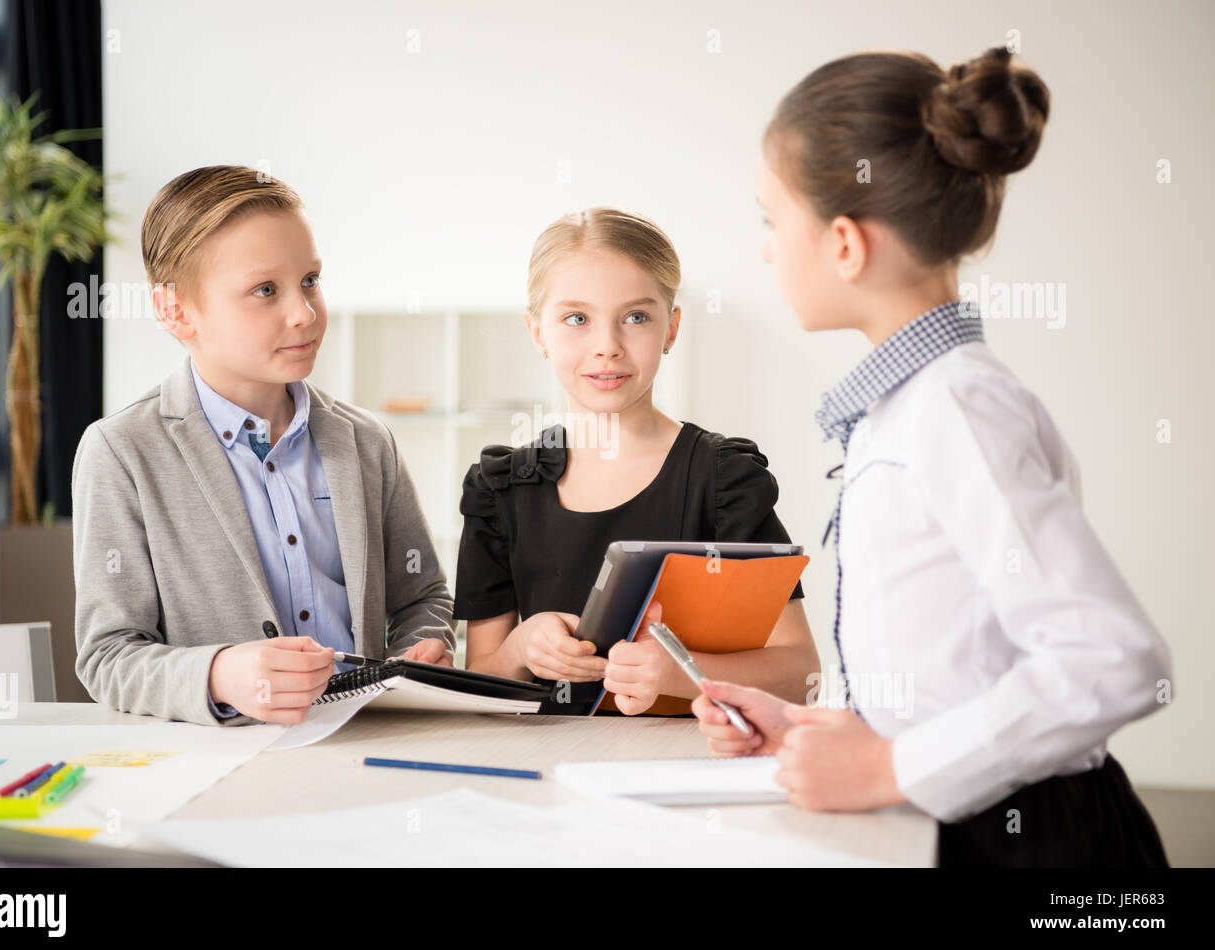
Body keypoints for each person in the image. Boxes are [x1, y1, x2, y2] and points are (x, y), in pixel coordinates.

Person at [693, 47, 1171, 866]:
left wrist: (888, 763)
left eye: (773, 221)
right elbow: (952, 658)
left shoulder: (957, 408)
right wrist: (822, 732)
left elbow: (1113, 658)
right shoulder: (906, 408)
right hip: (956, 819)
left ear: (844, 244)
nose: (768, 250)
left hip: (1033, 842)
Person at [72, 165, 453, 726]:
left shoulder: (368, 442)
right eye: (265, 290)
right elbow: (109, 656)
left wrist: (424, 645)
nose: (303, 312)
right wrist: (220, 673)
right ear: (175, 310)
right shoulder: (121, 451)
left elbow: (423, 598)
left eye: (310, 281)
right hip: (222, 762)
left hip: (370, 744)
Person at [455, 207, 818, 716]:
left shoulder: (723, 480)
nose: (607, 347)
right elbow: (476, 684)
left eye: (636, 317)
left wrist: (680, 672)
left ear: (671, 329)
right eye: (576, 319)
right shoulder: (501, 490)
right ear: (537, 331)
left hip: (678, 771)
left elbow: (801, 674)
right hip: (540, 775)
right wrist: (519, 649)